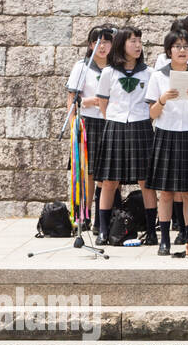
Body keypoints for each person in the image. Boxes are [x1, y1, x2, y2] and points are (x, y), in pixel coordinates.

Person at [144, 30, 188, 256]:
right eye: (177, 47)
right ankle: (164, 239)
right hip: (166, 135)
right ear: (169, 51)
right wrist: (163, 99)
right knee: (166, 192)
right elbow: (152, 114)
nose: (182, 50)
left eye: (185, 47)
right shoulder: (158, 76)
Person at [94, 27, 157, 245]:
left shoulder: (149, 73)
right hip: (116, 125)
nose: (138, 45)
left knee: (146, 181)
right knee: (109, 181)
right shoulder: (109, 73)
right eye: (133, 41)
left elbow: (152, 104)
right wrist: (113, 118)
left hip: (141, 126)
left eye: (140, 41)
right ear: (122, 45)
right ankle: (103, 230)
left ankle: (151, 231)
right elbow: (103, 102)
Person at [66, 26, 114, 233]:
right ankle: (84, 215)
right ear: (90, 45)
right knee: (89, 173)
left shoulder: (116, 68)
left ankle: (103, 220)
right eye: (98, 42)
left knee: (110, 174)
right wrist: (74, 126)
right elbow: (72, 99)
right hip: (89, 123)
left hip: (112, 122)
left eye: (106, 42)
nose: (102, 47)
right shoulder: (82, 67)